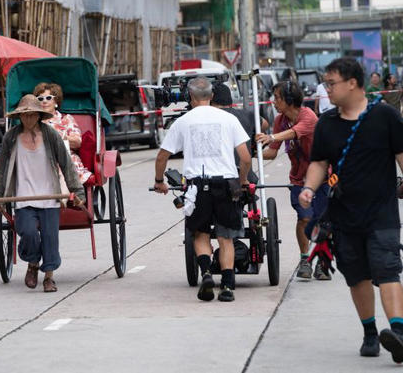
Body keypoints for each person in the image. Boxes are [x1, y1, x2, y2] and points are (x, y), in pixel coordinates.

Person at [298, 58, 403, 361]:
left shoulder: (385, 116)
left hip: (381, 213)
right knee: (357, 276)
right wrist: (309, 188)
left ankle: (398, 332)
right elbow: (319, 162)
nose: (327, 89)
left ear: (353, 83)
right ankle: (370, 333)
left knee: (388, 269)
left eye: (331, 83)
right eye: (326, 83)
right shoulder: (327, 124)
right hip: (343, 214)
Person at [154, 77, 251, 303]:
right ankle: (227, 286)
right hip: (227, 183)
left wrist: (159, 180)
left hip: (197, 186)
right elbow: (245, 158)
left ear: (189, 96)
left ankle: (207, 273)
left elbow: (162, 156)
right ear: (212, 96)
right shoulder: (228, 119)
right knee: (226, 237)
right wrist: (242, 181)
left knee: (200, 234)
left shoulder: (183, 122)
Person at [0, 94, 84, 293]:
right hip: (23, 196)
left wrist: (77, 191)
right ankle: (33, 263)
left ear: (39, 115)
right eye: (24, 115)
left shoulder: (51, 135)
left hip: (49, 195)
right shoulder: (11, 137)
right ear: (19, 117)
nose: (28, 119)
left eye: (32, 115)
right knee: (27, 232)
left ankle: (49, 278)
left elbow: (66, 164)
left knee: (50, 238)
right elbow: (3, 168)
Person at [255, 81, 331, 281]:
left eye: (277, 98)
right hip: (298, 179)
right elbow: (272, 151)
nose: (273, 102)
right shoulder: (280, 120)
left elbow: (294, 132)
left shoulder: (308, 116)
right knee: (304, 218)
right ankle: (305, 259)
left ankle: (323, 261)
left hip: (322, 178)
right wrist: (252, 152)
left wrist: (270, 136)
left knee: (323, 222)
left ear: (289, 100)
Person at [33, 82, 92, 185]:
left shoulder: (66, 119)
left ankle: (63, 198)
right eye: (40, 99)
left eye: (48, 98)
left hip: (65, 160)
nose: (44, 101)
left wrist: (59, 137)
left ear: (56, 101)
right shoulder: (33, 123)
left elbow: (77, 143)